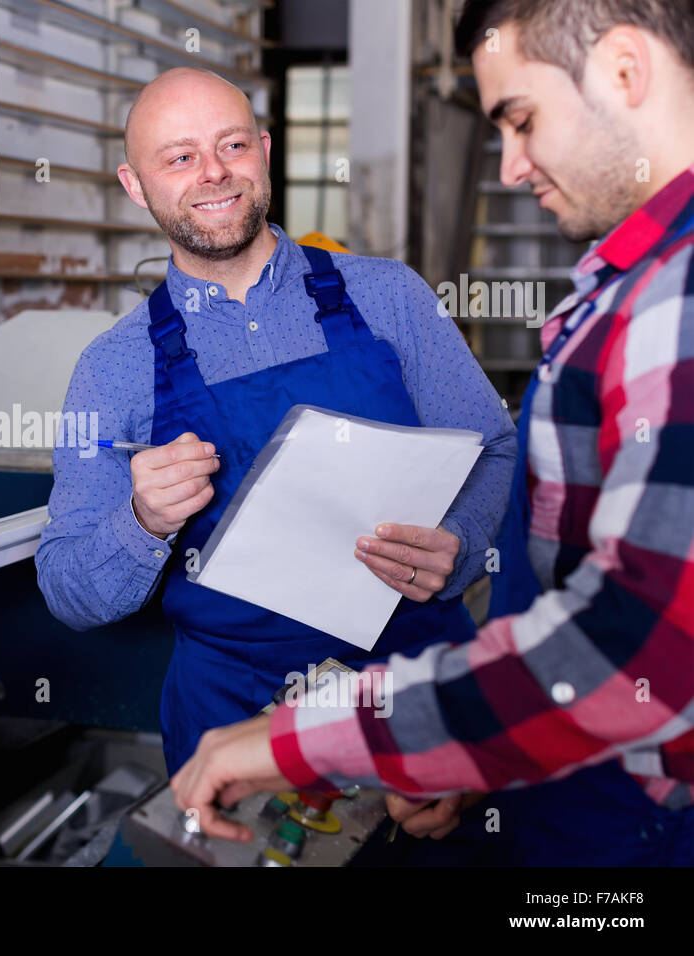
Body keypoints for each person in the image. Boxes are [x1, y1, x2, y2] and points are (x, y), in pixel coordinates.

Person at [169, 0, 694, 866]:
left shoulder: (675, 299)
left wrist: (297, 740)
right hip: (571, 778)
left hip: (638, 822)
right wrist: (473, 749)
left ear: (625, 71)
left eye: (521, 120)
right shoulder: (626, 286)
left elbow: (637, 653)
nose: (514, 166)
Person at [35, 65, 517, 778]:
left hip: (416, 688)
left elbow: (499, 452)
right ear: (135, 185)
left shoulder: (390, 299)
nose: (213, 174)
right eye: (179, 157)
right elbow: (68, 589)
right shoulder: (113, 369)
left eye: (232, 146)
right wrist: (141, 520)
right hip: (237, 717)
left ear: (263, 150)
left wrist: (463, 541)